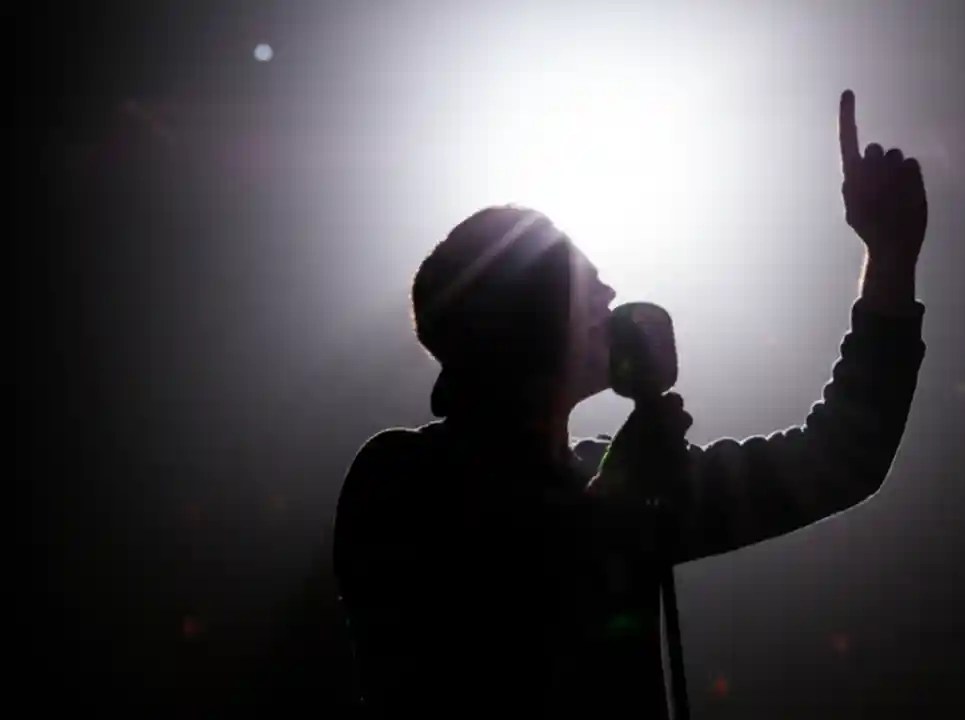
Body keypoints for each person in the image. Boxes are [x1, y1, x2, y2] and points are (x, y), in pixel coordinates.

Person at [332, 90, 928, 717]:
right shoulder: (400, 482)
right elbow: (488, 637)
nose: (611, 293)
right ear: (518, 315)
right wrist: (616, 503)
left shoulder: (619, 478)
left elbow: (840, 459)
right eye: (584, 283)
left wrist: (890, 262)